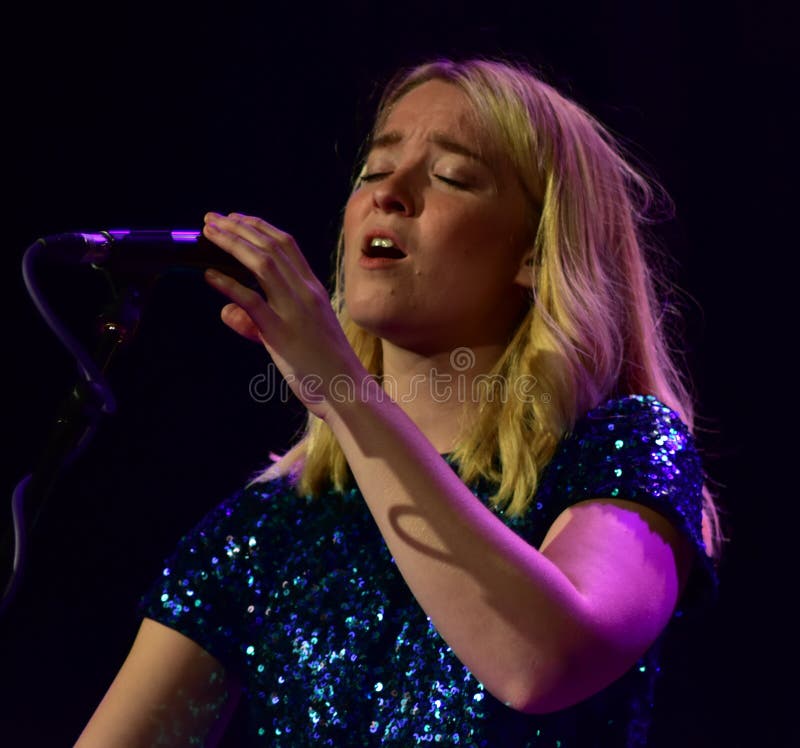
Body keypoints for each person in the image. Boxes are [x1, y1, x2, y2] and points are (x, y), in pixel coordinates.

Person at [75, 57, 720, 747]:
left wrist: (344, 391)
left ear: (534, 252)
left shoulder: (619, 452)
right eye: (373, 173)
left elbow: (541, 662)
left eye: (452, 177)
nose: (390, 194)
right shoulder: (269, 527)